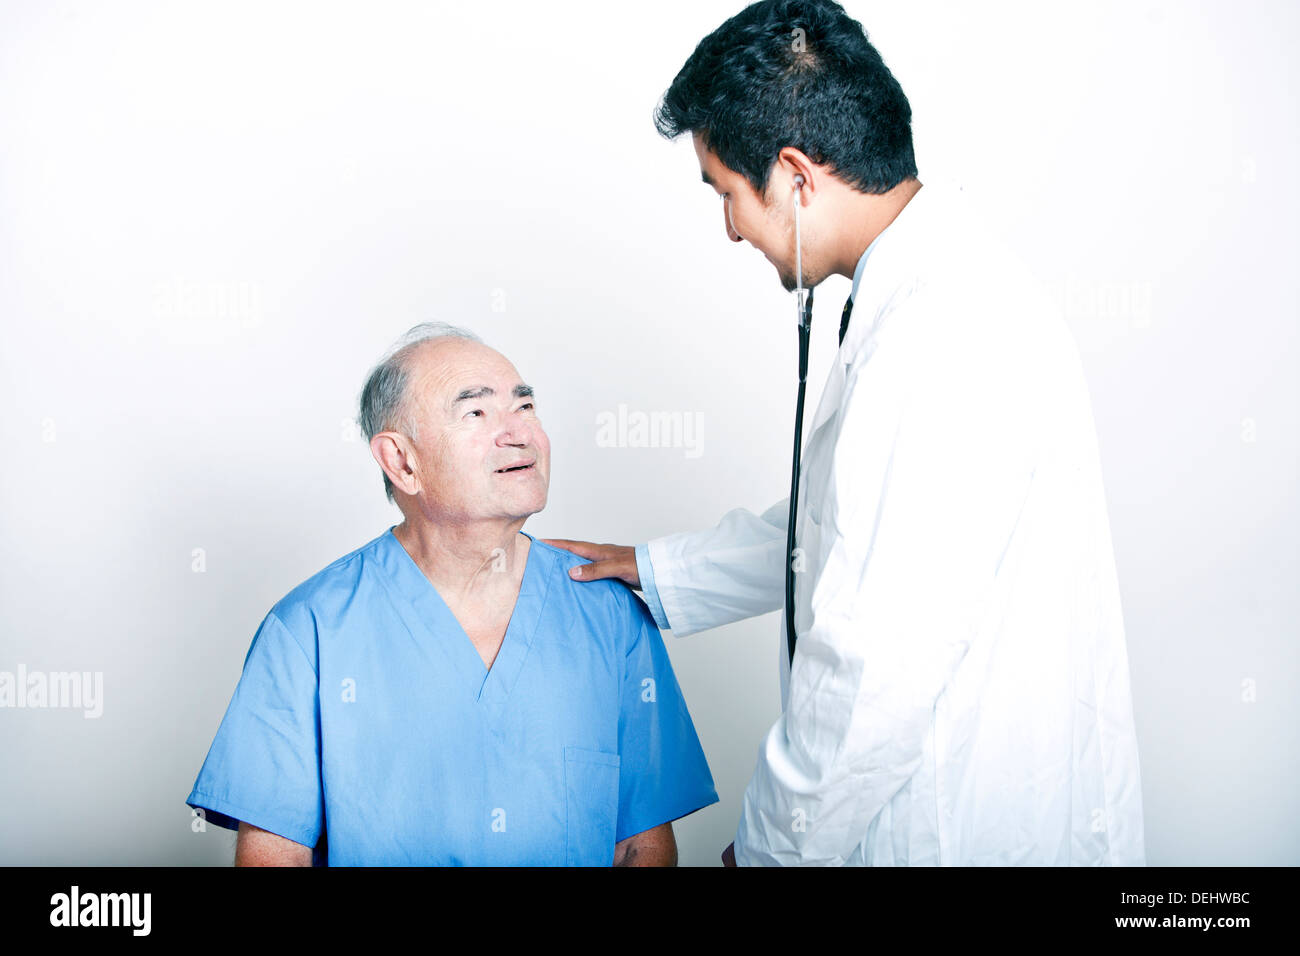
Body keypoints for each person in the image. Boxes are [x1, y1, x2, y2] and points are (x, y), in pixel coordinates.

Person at [546, 0, 1145, 866]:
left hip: (957, 829)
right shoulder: (938, 299)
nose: (728, 229)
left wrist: (761, 855)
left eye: (725, 193)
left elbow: (872, 669)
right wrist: (655, 570)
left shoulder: (940, 336)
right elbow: (836, 532)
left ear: (793, 175)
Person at [185, 322, 717, 866]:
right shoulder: (308, 631)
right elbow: (277, 858)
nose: (519, 433)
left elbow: (640, 847)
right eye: (477, 413)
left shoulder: (607, 613)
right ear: (401, 462)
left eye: (526, 407)